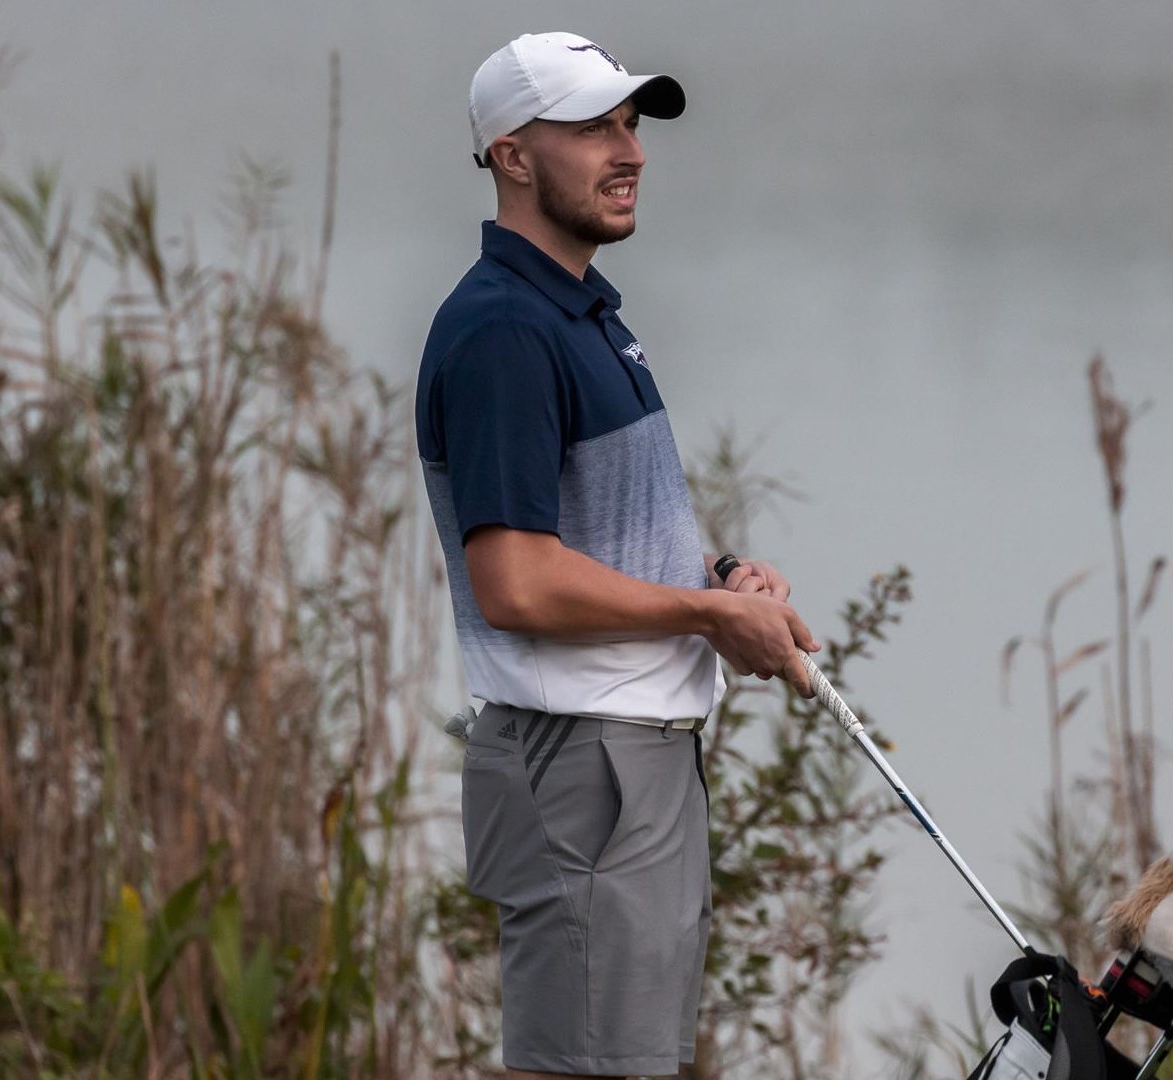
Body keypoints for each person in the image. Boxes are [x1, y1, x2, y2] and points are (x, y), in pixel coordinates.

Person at [415, 31, 820, 1080]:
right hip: (579, 767)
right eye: (592, 125)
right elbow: (515, 582)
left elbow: (603, 533)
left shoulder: (584, 317)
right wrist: (703, 618)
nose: (628, 149)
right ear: (512, 154)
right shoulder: (505, 332)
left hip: (630, 761)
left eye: (631, 124)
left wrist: (718, 579)